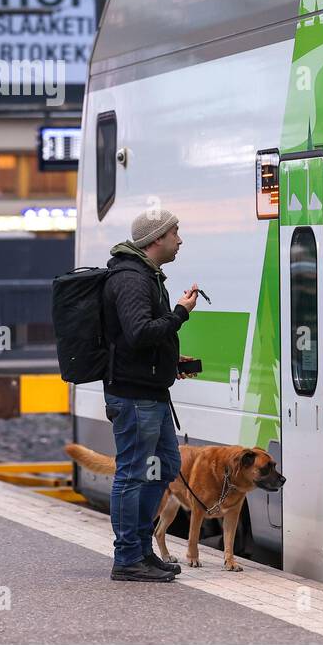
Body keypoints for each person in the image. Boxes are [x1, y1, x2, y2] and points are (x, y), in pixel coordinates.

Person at [104, 207, 200, 583]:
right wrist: (179, 313)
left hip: (151, 392)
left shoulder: (147, 275)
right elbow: (139, 332)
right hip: (134, 397)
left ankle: (141, 550)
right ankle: (127, 557)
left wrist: (170, 360)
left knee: (165, 467)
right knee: (132, 473)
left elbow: (142, 340)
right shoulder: (131, 278)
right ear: (157, 238)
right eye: (175, 232)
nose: (180, 239)